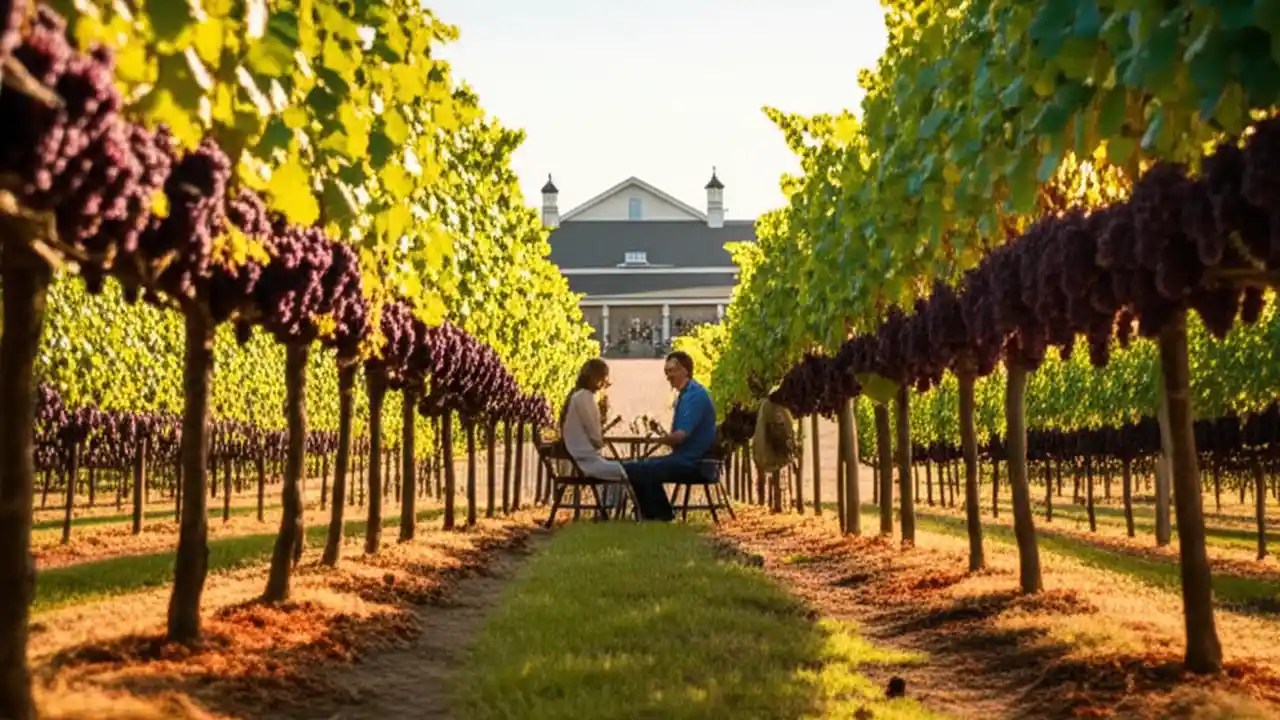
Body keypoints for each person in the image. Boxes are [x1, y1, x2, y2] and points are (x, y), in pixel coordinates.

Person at [621, 351, 717, 521]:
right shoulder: (687, 394)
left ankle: (659, 516)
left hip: (696, 463)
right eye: (666, 372)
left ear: (685, 371)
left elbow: (679, 437)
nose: (668, 376)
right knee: (639, 466)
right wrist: (660, 434)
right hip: (686, 458)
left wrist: (655, 439)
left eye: (672, 371)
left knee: (638, 468)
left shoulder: (693, 396)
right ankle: (654, 515)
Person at [558, 358, 628, 486]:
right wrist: (601, 442)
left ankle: (616, 505)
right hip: (588, 463)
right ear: (597, 378)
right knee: (632, 471)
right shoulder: (584, 397)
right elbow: (595, 437)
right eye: (604, 377)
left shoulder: (576, 395)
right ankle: (618, 505)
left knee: (629, 471)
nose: (605, 383)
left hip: (580, 460)